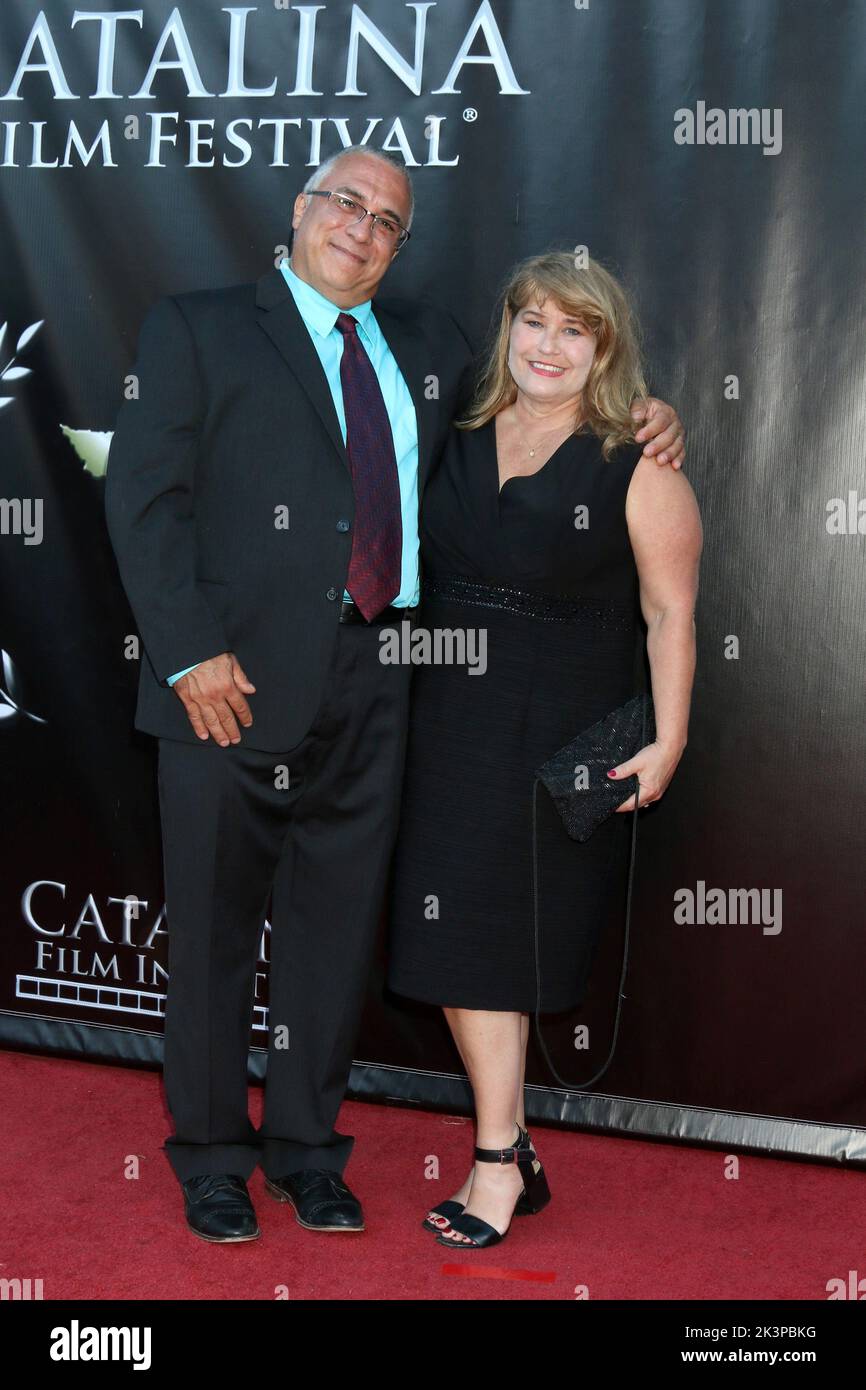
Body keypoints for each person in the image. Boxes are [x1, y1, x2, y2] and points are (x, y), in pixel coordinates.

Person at [104, 146, 685, 1243]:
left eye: (386, 220)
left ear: (399, 244)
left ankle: (309, 1155)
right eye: (343, 203)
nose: (360, 229)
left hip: (386, 680)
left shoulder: (431, 346)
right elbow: (143, 502)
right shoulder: (199, 327)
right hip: (227, 682)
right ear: (299, 208)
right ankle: (213, 1157)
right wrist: (187, 653)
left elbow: (544, 394)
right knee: (222, 931)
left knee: (332, 935)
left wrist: (644, 413)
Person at [386, 251, 702, 1250]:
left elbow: (670, 614)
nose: (548, 345)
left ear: (604, 348)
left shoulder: (633, 461)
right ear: (507, 330)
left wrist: (668, 740)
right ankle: (510, 1142)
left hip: (561, 732)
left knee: (503, 949)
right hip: (444, 724)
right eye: (533, 322)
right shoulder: (456, 432)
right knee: (450, 948)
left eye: (576, 330)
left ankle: (492, 1160)